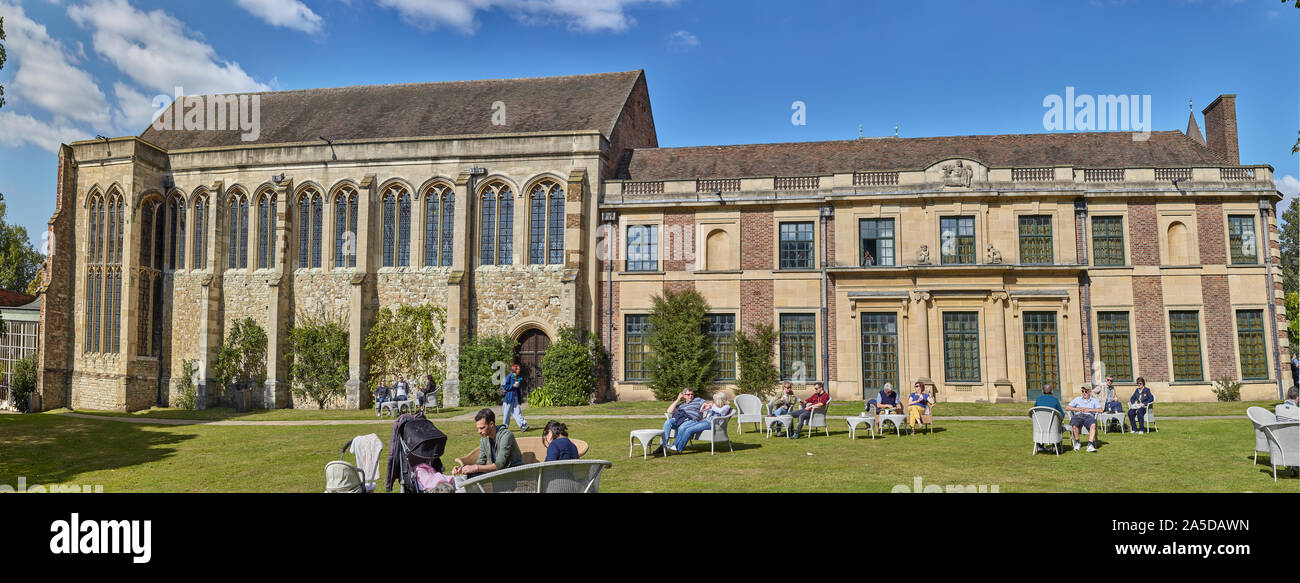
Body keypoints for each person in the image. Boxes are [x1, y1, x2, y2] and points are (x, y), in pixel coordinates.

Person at [452, 408, 522, 479]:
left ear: (491, 424)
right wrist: (463, 469)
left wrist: (476, 468)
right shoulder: (484, 439)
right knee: (469, 476)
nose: (479, 431)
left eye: (482, 428)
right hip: (498, 473)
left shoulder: (506, 436)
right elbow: (480, 462)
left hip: (512, 474)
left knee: (471, 478)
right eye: (478, 428)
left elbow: (499, 465)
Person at [668, 392, 733, 452]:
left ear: (720, 400)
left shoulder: (726, 407)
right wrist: (704, 408)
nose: (715, 401)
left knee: (689, 430)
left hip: (712, 424)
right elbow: (702, 411)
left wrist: (711, 406)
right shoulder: (715, 406)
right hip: (705, 421)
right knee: (684, 427)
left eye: (716, 400)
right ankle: (674, 445)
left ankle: (679, 449)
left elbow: (721, 411)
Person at [655, 389, 706, 455]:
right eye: (688, 394)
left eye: (692, 394)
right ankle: (662, 446)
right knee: (667, 422)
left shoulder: (698, 400)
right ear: (684, 396)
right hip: (680, 419)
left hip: (691, 420)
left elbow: (709, 403)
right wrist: (678, 399)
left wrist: (705, 405)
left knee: (683, 426)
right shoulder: (681, 404)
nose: (690, 396)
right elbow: (669, 411)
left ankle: (674, 446)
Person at [1066, 385, 1102, 452]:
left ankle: (1090, 445)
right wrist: (1077, 409)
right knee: (1074, 424)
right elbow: (1067, 407)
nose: (1084, 393)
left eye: (1086, 391)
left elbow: (1100, 410)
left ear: (1089, 392)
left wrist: (1089, 410)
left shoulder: (1094, 400)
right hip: (1078, 415)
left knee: (1093, 425)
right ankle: (1077, 442)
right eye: (1082, 391)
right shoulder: (1077, 399)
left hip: (1089, 416)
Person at [1033, 384, 1065, 453]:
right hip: (1053, 427)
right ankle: (1056, 445)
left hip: (1040, 427)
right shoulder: (1055, 400)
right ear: (1052, 391)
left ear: (1042, 391)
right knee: (1058, 425)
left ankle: (1040, 446)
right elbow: (1062, 415)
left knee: (1041, 424)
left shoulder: (1038, 400)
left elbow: (1034, 412)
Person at [501, 363, 529, 432]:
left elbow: (518, 389)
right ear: (514, 369)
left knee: (518, 412)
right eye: (518, 369)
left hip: (515, 398)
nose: (519, 370)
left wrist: (519, 398)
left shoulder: (518, 377)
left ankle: (522, 425)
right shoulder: (509, 377)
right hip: (508, 399)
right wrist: (512, 386)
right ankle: (504, 428)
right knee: (506, 414)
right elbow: (504, 386)